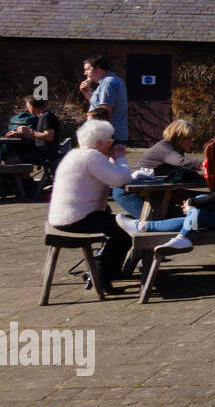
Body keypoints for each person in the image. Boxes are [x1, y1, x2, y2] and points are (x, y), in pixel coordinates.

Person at [122, 137, 215, 254]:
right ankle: (177, 237)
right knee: (201, 205)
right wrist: (196, 203)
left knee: (202, 216)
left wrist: (192, 202)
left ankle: (147, 227)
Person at [46, 119, 131, 286]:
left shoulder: (76, 153)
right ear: (100, 142)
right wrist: (120, 157)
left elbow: (111, 175)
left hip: (61, 217)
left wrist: (112, 158)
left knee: (117, 223)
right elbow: (121, 179)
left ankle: (108, 271)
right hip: (76, 219)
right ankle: (100, 276)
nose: (114, 142)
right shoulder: (92, 156)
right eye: (111, 139)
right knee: (126, 231)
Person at [112, 119, 200, 218]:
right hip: (127, 192)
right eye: (187, 138)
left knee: (183, 214)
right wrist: (204, 164)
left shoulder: (178, 150)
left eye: (192, 139)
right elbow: (181, 162)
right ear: (177, 136)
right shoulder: (164, 147)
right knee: (153, 220)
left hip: (148, 192)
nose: (190, 142)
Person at [79, 56, 129, 145]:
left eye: (87, 69)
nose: (85, 73)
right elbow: (100, 106)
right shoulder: (111, 81)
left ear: (98, 69)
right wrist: (86, 92)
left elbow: (104, 112)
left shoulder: (108, 83)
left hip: (108, 137)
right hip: (113, 135)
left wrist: (96, 137)